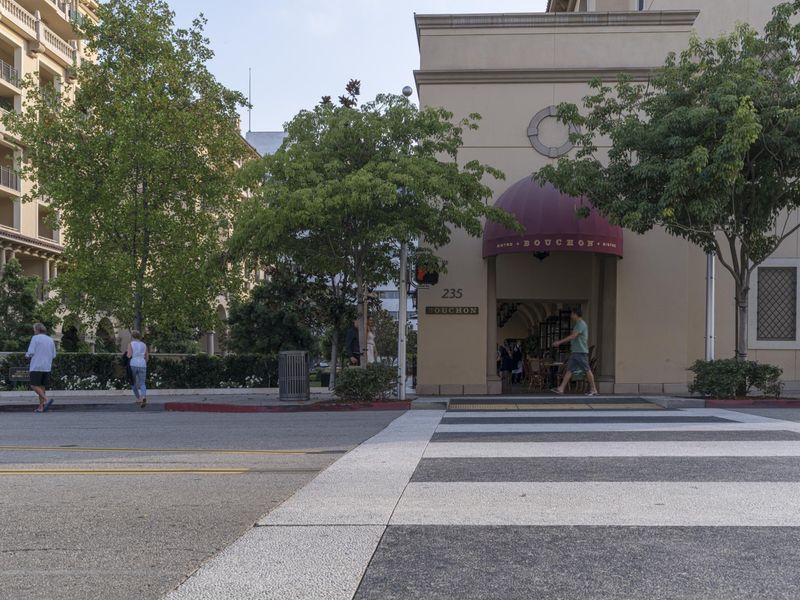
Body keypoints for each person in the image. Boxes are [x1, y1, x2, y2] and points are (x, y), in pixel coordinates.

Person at [551, 308, 598, 396]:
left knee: (587, 369)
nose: (571, 316)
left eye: (572, 314)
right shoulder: (578, 324)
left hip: (580, 352)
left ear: (576, 314)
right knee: (570, 370)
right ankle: (561, 388)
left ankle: (593, 389)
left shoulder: (581, 324)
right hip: (576, 352)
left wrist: (559, 342)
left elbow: (573, 336)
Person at [26, 323, 57, 413]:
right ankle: (41, 407)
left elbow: (31, 352)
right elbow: (54, 355)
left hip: (36, 365)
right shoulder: (50, 339)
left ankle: (47, 400)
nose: (33, 331)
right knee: (42, 387)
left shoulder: (35, 338)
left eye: (34, 329)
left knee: (33, 385)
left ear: (37, 329)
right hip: (47, 366)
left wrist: (27, 355)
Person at [126, 330, 149, 408]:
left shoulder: (131, 344)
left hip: (133, 364)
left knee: (133, 382)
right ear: (139, 336)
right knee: (142, 383)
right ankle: (144, 397)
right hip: (142, 364)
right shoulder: (144, 345)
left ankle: (139, 398)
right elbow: (147, 357)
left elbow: (129, 355)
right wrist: (143, 362)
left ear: (132, 336)